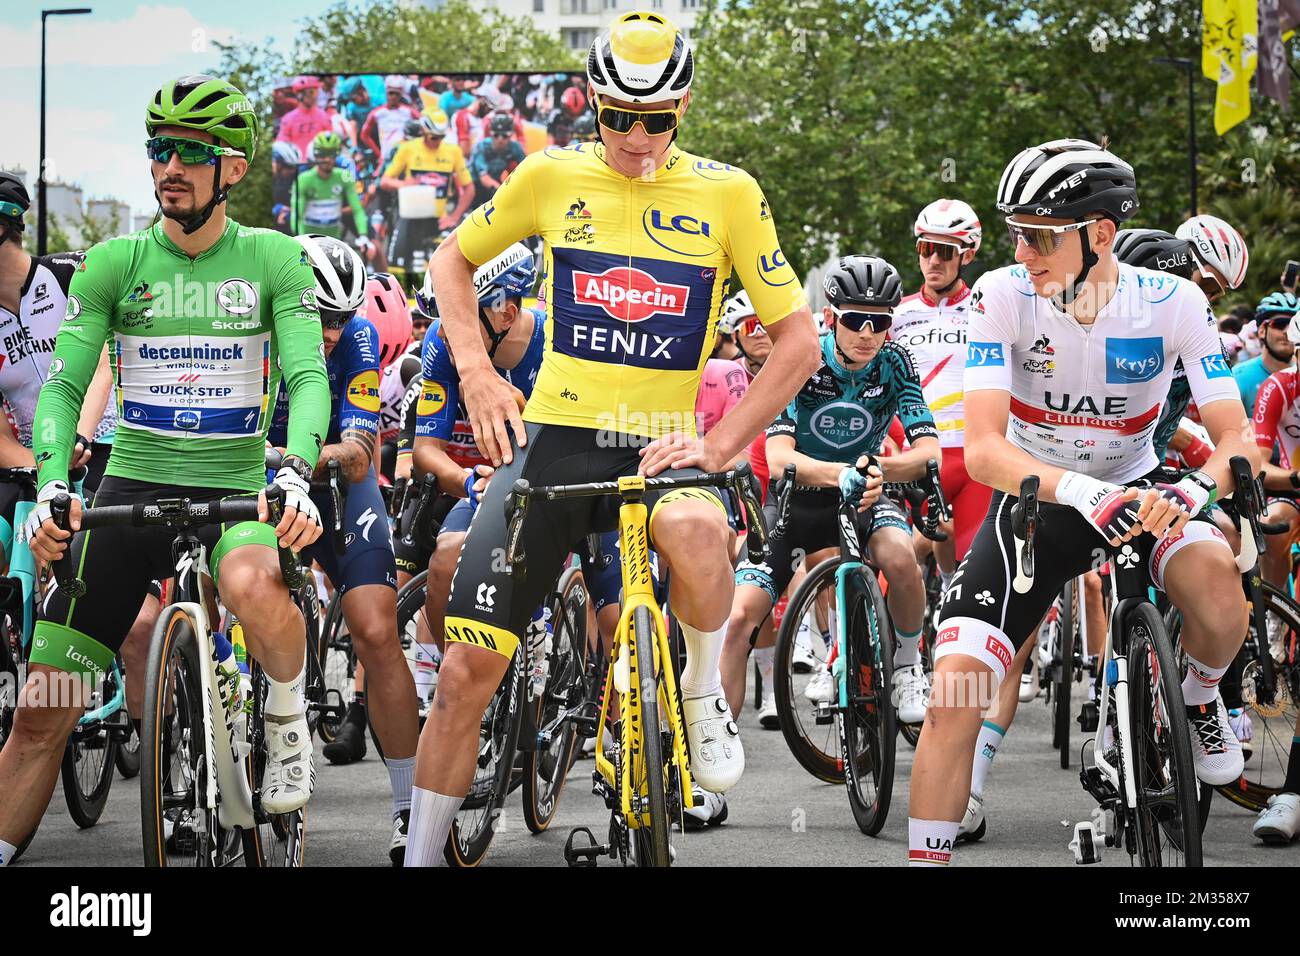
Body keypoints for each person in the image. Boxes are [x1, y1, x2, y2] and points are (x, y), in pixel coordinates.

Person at [402, 11, 819, 866]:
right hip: (556, 435)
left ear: (685, 108)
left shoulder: (729, 193)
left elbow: (801, 341)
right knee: (463, 676)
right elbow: (451, 259)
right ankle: (421, 854)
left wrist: (722, 443)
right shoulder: (550, 174)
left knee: (701, 534)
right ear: (592, 102)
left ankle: (702, 693)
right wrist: (477, 372)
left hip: (663, 436)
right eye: (617, 117)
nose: (635, 138)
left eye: (657, 119)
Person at [0, 75, 332, 867]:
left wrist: (296, 473)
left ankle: (286, 720)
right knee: (42, 713)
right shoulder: (113, 264)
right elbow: (65, 387)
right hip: (129, 493)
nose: (170, 167)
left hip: (232, 490)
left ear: (234, 169)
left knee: (254, 583)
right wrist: (53, 482)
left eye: (191, 152)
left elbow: (308, 377)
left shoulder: (273, 258)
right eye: (159, 150)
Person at [907, 138, 1257, 867]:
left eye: (1040, 235)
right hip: (1041, 502)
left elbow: (1236, 439)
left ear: (1101, 235)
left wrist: (1195, 488)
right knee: (952, 698)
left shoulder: (1175, 302)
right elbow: (982, 448)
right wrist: (1082, 489)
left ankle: (1198, 695)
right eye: (1016, 233)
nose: (1023, 251)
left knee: (1222, 596)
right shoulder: (1001, 294)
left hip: (1142, 494)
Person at [725, 255, 939, 761]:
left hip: (867, 493)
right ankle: (711, 755)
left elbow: (929, 452)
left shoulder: (896, 363)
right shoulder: (798, 359)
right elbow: (778, 459)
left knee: (902, 557)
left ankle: (908, 668)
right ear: (829, 318)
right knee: (740, 619)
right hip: (797, 503)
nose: (867, 333)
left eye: (880, 322)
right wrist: (838, 474)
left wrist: (879, 473)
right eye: (854, 320)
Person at [262, 235, 417, 863]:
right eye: (317, 316)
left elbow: (359, 457)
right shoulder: (247, 331)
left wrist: (298, 460)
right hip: (255, 487)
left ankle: (412, 807)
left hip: (331, 490)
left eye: (341, 317)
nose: (329, 331)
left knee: (376, 633)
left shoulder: (353, 342)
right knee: (215, 592)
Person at [893, 198, 990, 585]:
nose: (933, 260)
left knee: (973, 569)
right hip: (916, 452)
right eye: (924, 248)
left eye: (945, 251)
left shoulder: (987, 310)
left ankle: (949, 593)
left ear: (967, 255)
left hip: (972, 457)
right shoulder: (894, 315)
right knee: (894, 567)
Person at [381, 112, 473, 271]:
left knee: (442, 267)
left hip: (439, 219)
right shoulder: (408, 148)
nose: (437, 142)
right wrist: (403, 184)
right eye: (433, 137)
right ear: (423, 131)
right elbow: (385, 181)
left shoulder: (453, 151)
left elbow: (469, 188)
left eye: (441, 137)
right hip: (410, 217)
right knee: (398, 266)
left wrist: (455, 216)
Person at [293, 132, 372, 255]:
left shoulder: (343, 176)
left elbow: (357, 209)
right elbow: (297, 215)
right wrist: (301, 240)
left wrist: (363, 235)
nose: (327, 159)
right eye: (323, 154)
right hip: (309, 240)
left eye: (332, 154)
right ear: (315, 155)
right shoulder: (304, 179)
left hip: (334, 242)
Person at [1234, 291, 1297, 412]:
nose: (1287, 331)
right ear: (1262, 330)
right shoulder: (1238, 377)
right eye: (1280, 324)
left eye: (1294, 325)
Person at [468, 112, 527, 209]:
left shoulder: (515, 147)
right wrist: (502, 191)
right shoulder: (481, 147)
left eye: (504, 136)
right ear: (490, 134)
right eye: (496, 135)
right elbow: (483, 177)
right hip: (475, 184)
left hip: (495, 183)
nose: (500, 139)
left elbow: (527, 167)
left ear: (511, 135)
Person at [360, 77, 421, 165]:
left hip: (406, 158)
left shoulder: (409, 111)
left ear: (401, 94)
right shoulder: (377, 113)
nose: (393, 97)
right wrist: (379, 153)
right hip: (386, 159)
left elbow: (425, 125)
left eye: (397, 94)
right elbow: (364, 135)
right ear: (386, 92)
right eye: (391, 93)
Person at [276, 75, 334, 160]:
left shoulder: (324, 116)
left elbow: (330, 142)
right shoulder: (288, 119)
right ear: (300, 95)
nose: (314, 96)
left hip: (318, 165)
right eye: (311, 92)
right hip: (296, 166)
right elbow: (282, 146)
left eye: (316, 92)